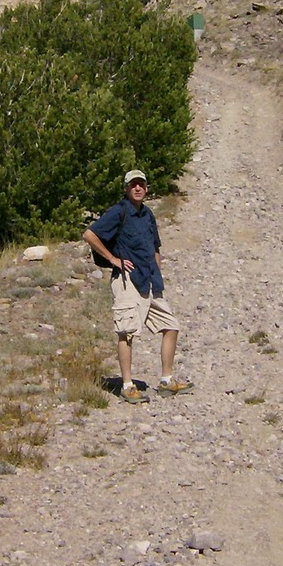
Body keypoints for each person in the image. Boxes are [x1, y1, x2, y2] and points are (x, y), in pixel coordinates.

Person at [83, 169, 191, 403]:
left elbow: (155, 247)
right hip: (127, 281)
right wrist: (113, 259)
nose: (138, 188)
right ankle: (128, 385)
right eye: (133, 185)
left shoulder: (147, 214)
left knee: (171, 326)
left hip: (149, 280)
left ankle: (167, 380)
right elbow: (90, 234)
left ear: (147, 187)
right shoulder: (118, 212)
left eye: (141, 184)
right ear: (126, 188)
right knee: (127, 332)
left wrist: (157, 269)